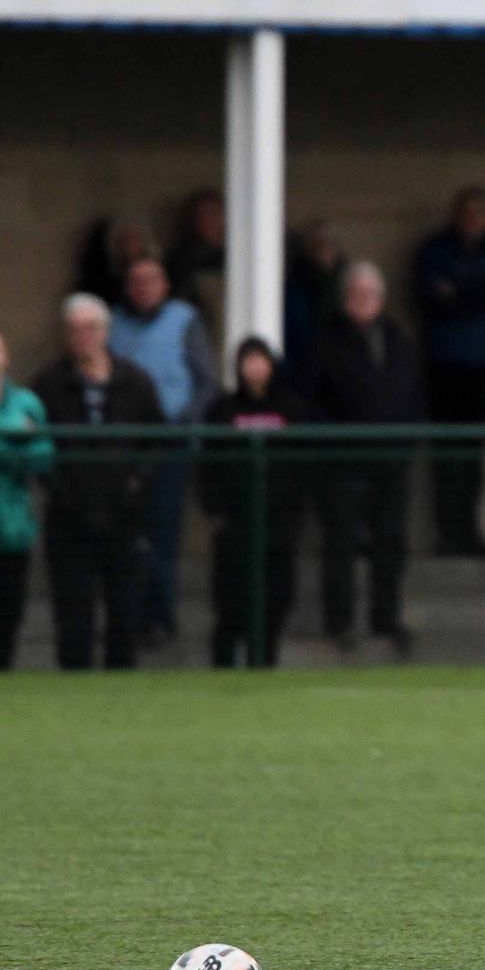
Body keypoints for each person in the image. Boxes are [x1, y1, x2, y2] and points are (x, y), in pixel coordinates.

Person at [31, 294, 167, 670]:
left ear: (105, 332)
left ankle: (120, 685)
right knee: (73, 613)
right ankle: (74, 686)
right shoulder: (49, 382)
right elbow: (35, 442)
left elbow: (158, 439)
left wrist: (137, 480)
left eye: (90, 328)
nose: (83, 337)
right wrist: (57, 485)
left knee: (124, 609)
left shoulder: (135, 381)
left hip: (125, 513)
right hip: (69, 515)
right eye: (74, 330)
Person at [308, 261, 427, 655]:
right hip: (342, 461)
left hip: (390, 459)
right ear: (345, 298)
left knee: (390, 542)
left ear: (381, 299)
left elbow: (414, 394)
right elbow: (311, 399)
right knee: (340, 543)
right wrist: (333, 443)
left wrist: (406, 441)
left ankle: (386, 619)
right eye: (356, 294)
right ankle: (340, 622)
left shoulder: (397, 340)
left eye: (370, 295)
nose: (363, 301)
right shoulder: (325, 341)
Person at [110, 256, 218, 644]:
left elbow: (207, 383)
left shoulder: (185, 320)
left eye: (151, 280)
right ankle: (128, 616)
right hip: (125, 444)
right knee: (126, 533)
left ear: (166, 286)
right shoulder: (113, 324)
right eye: (136, 281)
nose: (143, 288)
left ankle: (159, 616)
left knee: (162, 532)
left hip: (170, 441)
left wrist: (184, 423)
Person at [411, 186, 485, 558]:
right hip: (443, 363)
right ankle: (447, 534)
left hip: (483, 364)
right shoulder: (435, 249)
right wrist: (482, 288)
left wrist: (459, 290)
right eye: (467, 211)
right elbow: (431, 294)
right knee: (446, 452)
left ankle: (469, 531)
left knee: (474, 452)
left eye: (480, 212)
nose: (473, 219)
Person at [200, 338, 310, 667]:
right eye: (248, 360)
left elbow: (303, 465)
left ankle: (263, 665)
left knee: (275, 599)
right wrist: (215, 510)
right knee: (230, 602)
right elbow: (207, 465)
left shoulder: (292, 410)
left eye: (261, 359)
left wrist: (294, 512)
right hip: (235, 522)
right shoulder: (221, 410)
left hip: (277, 523)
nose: (255, 367)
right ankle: (223, 668)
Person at [0, 331, 55, 669]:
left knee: (8, 614)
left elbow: (43, 454)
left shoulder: (26, 403)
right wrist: (14, 440)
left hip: (13, 528)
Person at [283, 221, 347, 391]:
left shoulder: (347, 284)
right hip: (304, 368)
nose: (324, 250)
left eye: (329, 244)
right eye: (318, 245)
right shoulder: (295, 289)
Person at [164, 188, 227, 321]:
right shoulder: (179, 259)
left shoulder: (237, 255)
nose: (208, 220)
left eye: (214, 213)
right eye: (202, 215)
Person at [74, 215, 157, 307]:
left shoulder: (155, 269)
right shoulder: (101, 279)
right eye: (124, 240)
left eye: (134, 239)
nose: (129, 247)